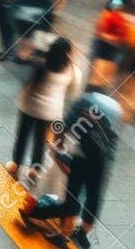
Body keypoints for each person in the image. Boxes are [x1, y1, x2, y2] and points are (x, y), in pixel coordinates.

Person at [19, 91, 121, 249]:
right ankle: (43, 219)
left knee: (86, 200)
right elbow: (60, 140)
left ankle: (73, 229)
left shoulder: (93, 126)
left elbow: (62, 135)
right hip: (80, 160)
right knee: (73, 203)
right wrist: (60, 157)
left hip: (87, 160)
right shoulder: (86, 127)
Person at [8, 37, 82, 184]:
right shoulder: (73, 70)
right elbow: (73, 93)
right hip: (50, 112)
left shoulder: (40, 61)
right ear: (68, 52)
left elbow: (26, 82)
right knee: (40, 141)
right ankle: (34, 171)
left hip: (29, 107)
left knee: (22, 137)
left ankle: (15, 166)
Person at [88, 0, 135, 88]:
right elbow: (100, 31)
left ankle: (95, 86)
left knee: (103, 76)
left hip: (112, 49)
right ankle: (94, 87)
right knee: (98, 75)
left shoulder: (128, 19)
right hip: (104, 47)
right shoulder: (111, 14)